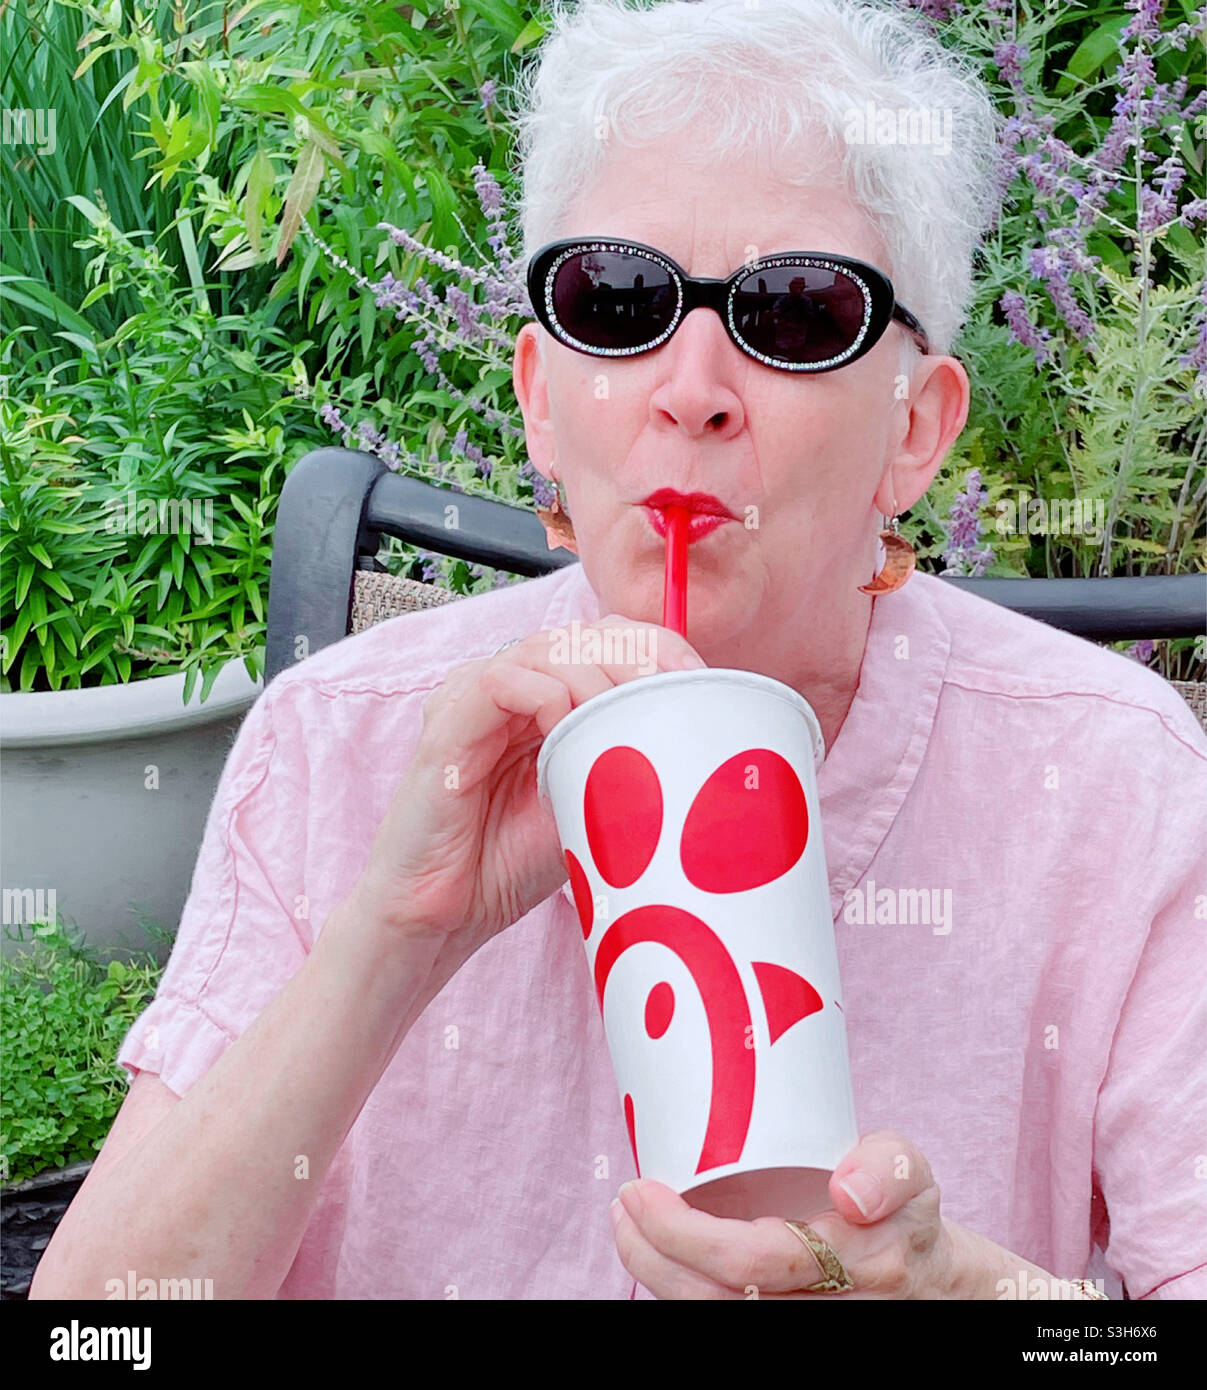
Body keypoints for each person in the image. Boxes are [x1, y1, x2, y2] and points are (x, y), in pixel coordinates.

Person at [31, 0, 1206, 1301]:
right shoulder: (342, 742)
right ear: (540, 394)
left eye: (796, 312)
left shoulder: (1115, 786)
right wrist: (395, 936)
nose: (689, 383)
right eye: (621, 300)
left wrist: (972, 1293)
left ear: (915, 431)